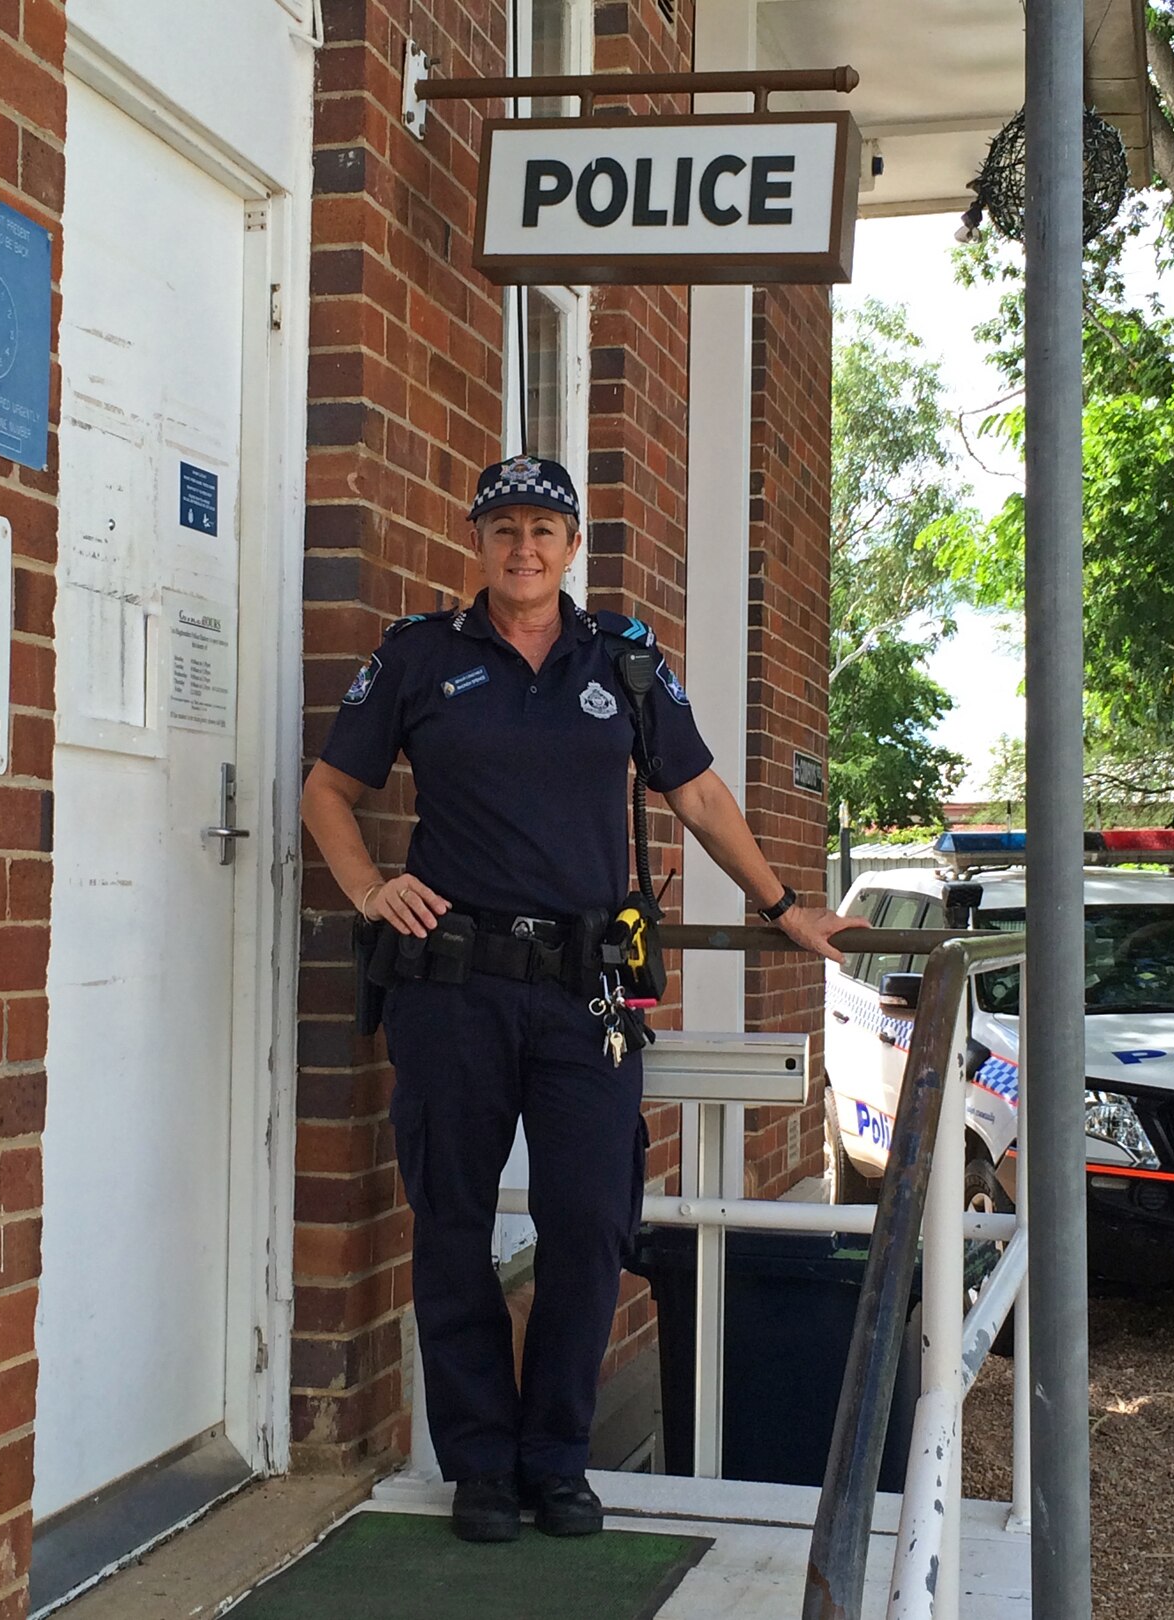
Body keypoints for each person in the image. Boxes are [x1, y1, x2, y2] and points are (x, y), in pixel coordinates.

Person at [301, 454, 855, 1544]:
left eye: (542, 530)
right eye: (503, 528)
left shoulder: (626, 661)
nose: (522, 548)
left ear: (571, 547)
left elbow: (695, 790)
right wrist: (368, 887)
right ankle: (481, 1467)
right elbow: (329, 788)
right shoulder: (419, 657)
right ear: (478, 541)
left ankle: (557, 1459)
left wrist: (787, 904)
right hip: (451, 991)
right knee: (453, 1223)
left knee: (590, 1224)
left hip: (583, 1000)